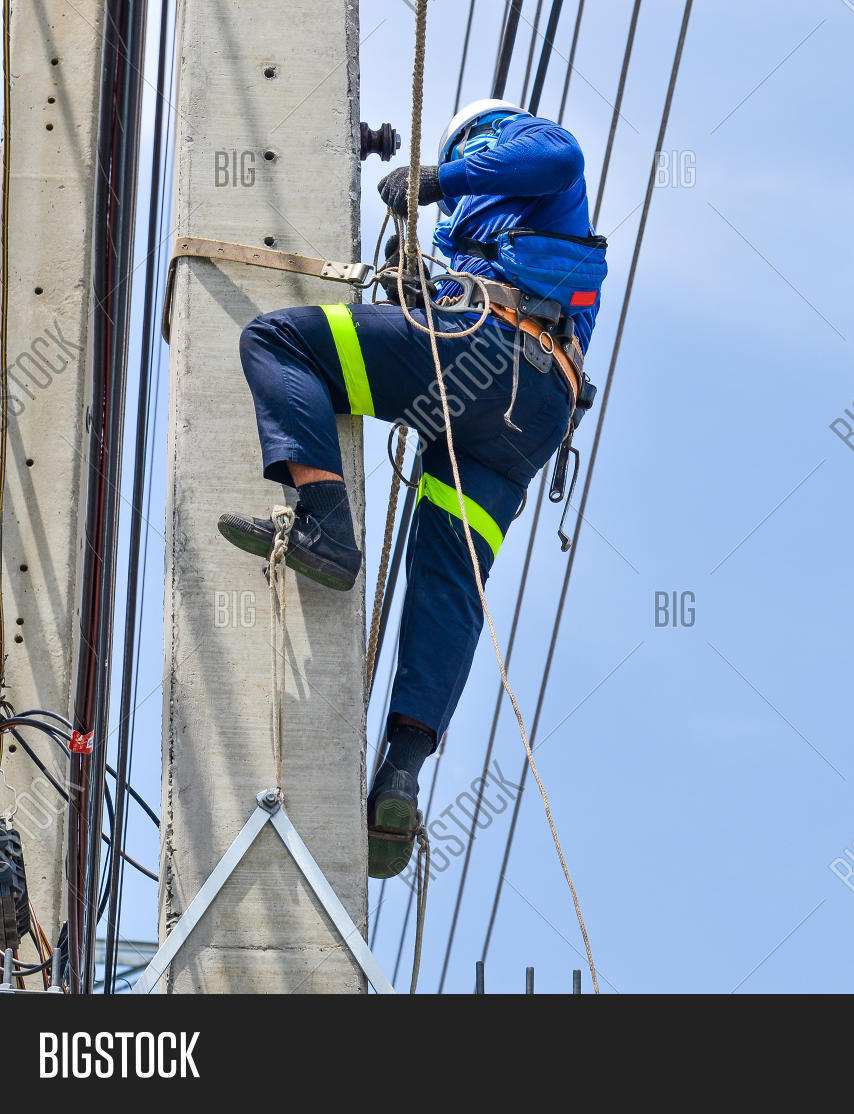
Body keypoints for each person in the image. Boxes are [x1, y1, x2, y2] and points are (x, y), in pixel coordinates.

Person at [218, 99, 605, 877]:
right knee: (449, 586)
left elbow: (556, 160)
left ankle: (325, 521)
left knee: (278, 340)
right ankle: (401, 773)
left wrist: (437, 175)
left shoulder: (523, 143)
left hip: (483, 357)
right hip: (529, 420)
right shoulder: (490, 232)